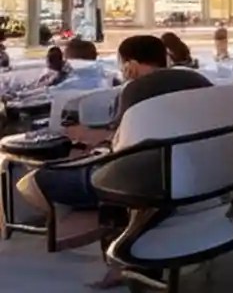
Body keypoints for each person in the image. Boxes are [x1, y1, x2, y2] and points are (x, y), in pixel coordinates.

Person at [17, 35, 212, 288]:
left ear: (130, 64)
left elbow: (121, 144)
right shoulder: (197, 80)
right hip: (200, 175)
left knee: (35, 180)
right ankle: (105, 236)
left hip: (148, 183)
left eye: (123, 65)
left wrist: (83, 135)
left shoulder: (136, 89)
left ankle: (109, 249)